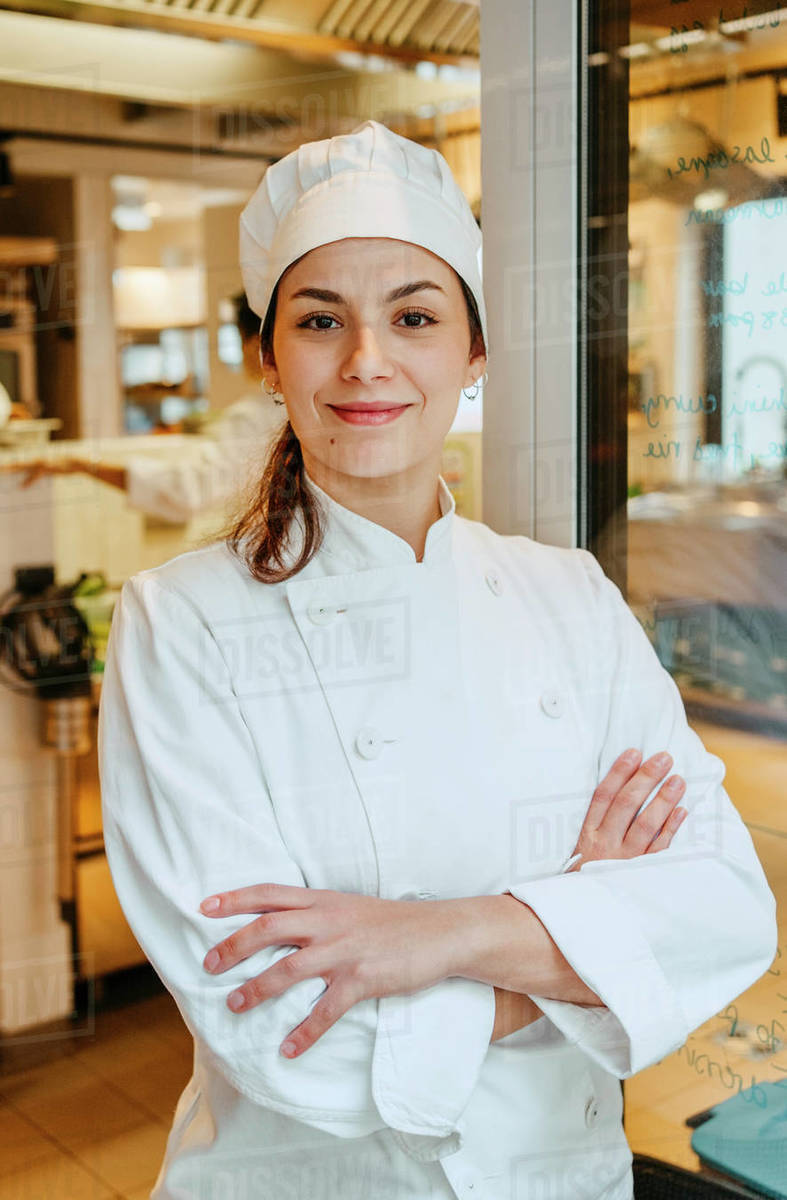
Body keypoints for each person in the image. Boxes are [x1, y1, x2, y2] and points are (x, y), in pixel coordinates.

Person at [97, 120, 777, 1200]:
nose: (367, 359)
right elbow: (282, 1032)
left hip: (566, 1177)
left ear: (472, 356)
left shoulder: (569, 595)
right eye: (321, 321)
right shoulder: (179, 625)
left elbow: (723, 908)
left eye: (413, 316)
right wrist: (568, 933)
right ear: (270, 360)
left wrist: (439, 936)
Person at [0, 292, 285, 523]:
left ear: (253, 346)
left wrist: (82, 464)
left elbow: (188, 492)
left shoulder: (255, 416)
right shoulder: (296, 407)